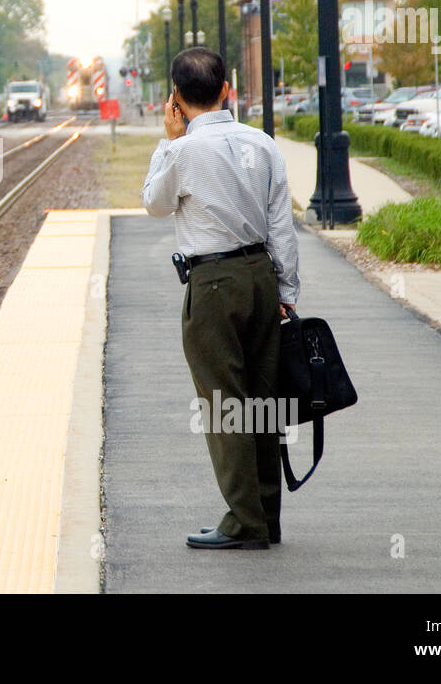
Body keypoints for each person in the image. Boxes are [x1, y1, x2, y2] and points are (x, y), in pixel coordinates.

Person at [141, 47, 299, 550]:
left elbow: (154, 204)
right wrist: (287, 292)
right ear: (227, 90)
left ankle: (243, 522)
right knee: (264, 401)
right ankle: (266, 516)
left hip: (211, 284)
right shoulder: (263, 144)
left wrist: (168, 144)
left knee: (225, 405)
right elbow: (282, 225)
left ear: (177, 99)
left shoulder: (182, 151)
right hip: (262, 277)